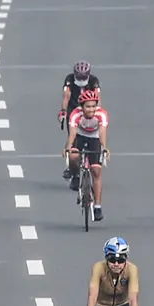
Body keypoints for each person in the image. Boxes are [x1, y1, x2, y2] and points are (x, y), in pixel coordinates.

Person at [65, 88, 109, 220]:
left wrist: (104, 148)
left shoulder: (101, 114)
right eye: (88, 107)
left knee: (96, 170)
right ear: (82, 107)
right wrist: (68, 147)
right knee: (73, 156)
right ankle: (75, 175)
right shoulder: (75, 114)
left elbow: (102, 132)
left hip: (94, 137)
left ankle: (97, 207)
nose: (91, 109)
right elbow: (72, 133)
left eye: (93, 106)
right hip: (80, 135)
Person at [57, 60, 101, 148]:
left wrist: (98, 110)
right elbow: (66, 96)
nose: (81, 80)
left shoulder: (94, 80)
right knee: (73, 137)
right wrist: (63, 111)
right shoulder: (69, 79)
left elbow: (97, 97)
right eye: (79, 77)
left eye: (83, 78)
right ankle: (72, 149)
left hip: (87, 108)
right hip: (73, 107)